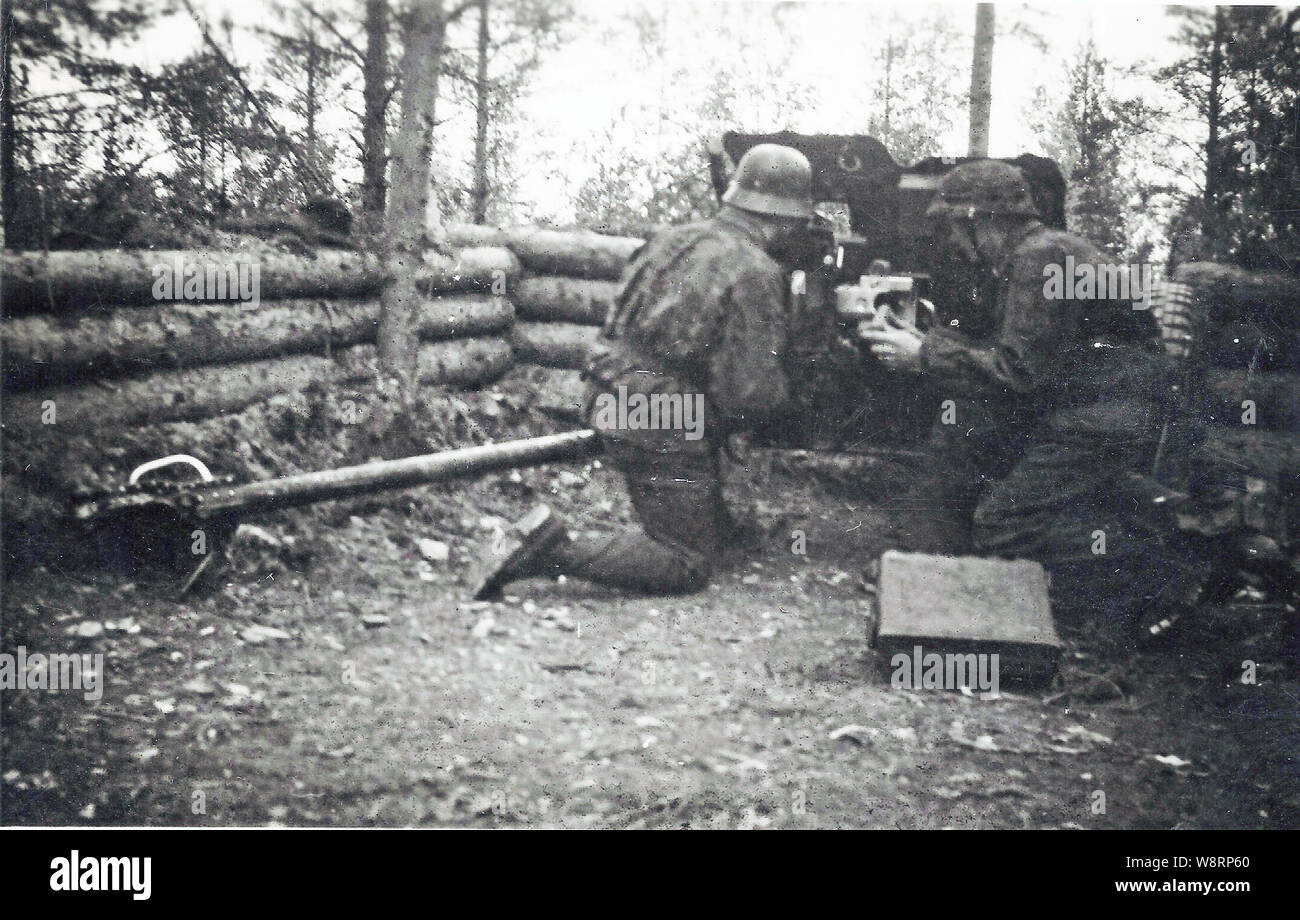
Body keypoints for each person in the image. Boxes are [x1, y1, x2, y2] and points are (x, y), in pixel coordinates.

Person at [859, 159, 1206, 646]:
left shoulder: (1041, 258)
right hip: (1090, 405)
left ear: (976, 221)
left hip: (1103, 415)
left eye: (954, 230)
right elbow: (1018, 357)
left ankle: (1171, 566)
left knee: (1005, 525)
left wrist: (922, 354)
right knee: (966, 436)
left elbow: (1016, 373)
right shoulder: (1042, 252)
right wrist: (923, 342)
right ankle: (930, 571)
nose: (955, 246)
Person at [471, 144, 814, 599]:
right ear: (786, 216)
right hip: (659, 416)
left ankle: (714, 527)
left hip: (606, 391)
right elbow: (749, 392)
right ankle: (552, 551)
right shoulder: (756, 270)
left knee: (696, 417)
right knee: (685, 563)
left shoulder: (671, 238)